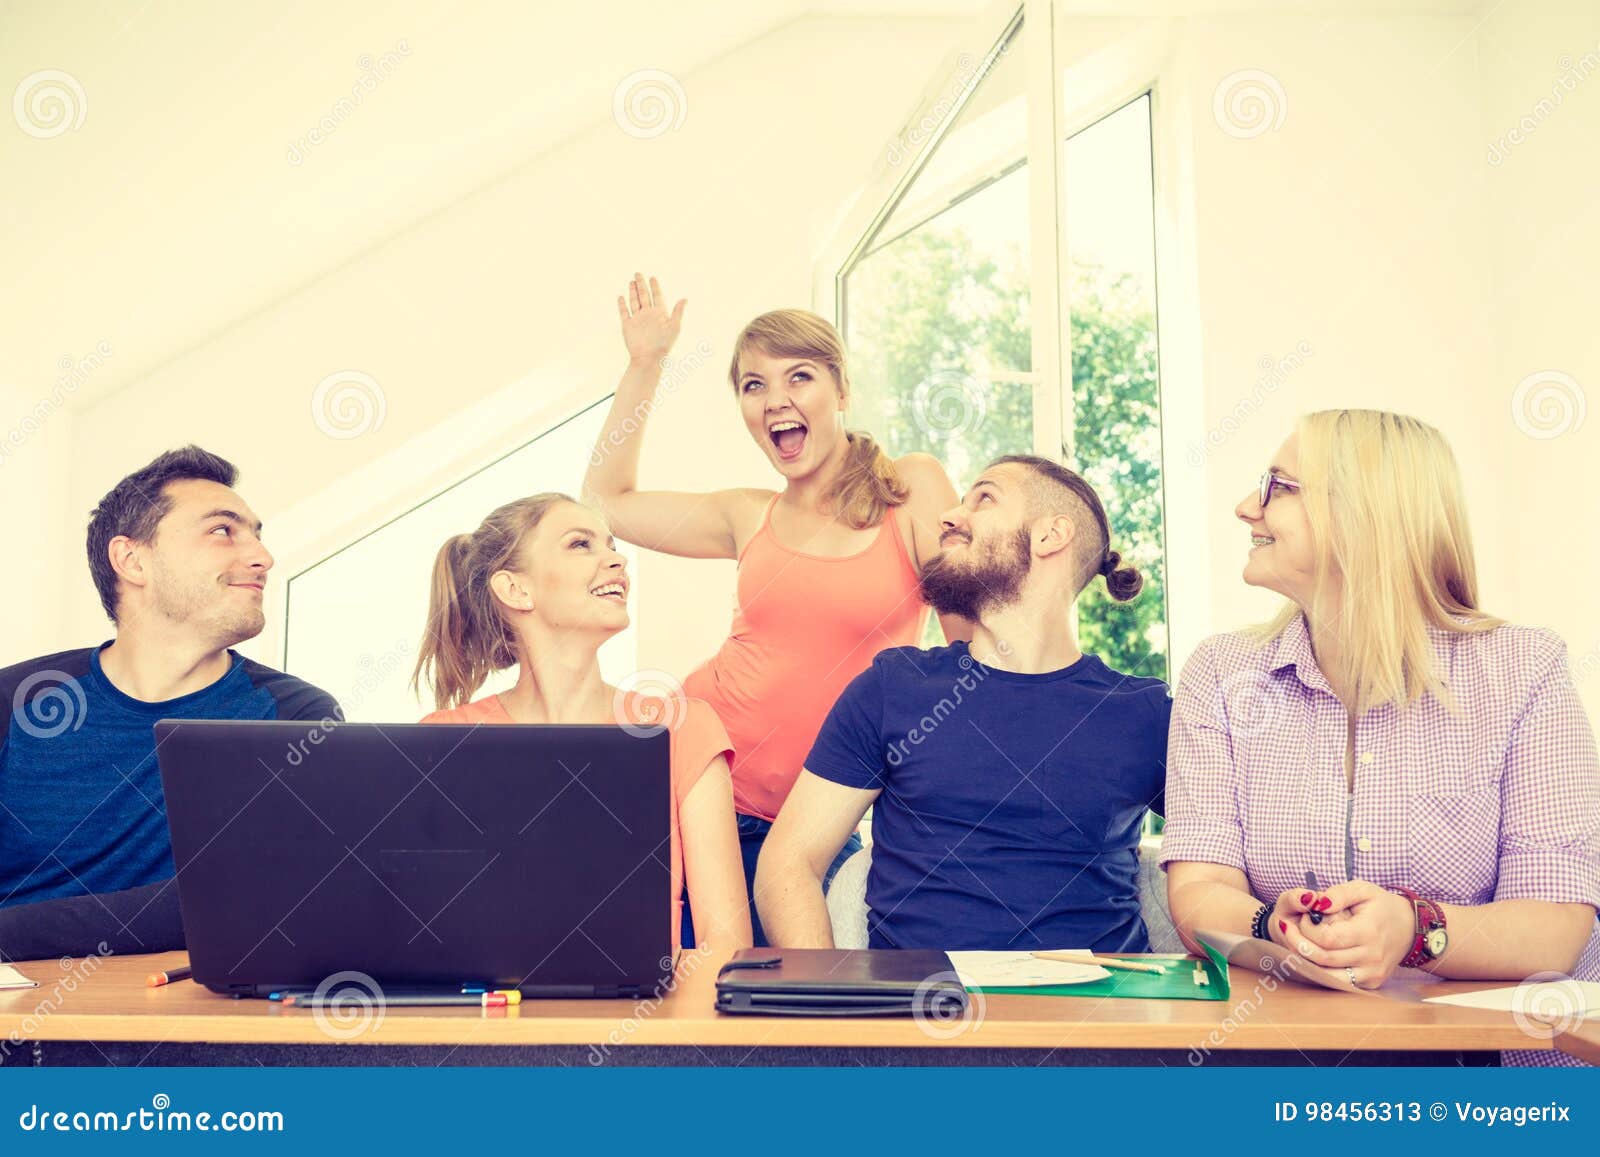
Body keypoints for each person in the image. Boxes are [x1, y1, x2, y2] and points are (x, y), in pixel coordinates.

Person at [1161, 409, 1600, 1067]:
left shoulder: (1525, 668)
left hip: (1498, 1075)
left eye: (1278, 485)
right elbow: (1201, 884)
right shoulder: (1221, 673)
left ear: (1360, 513)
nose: (1246, 506)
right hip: (1283, 1058)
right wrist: (1267, 925)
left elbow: (1553, 928)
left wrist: (1414, 928)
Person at [583, 273, 975, 945]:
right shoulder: (747, 513)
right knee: (665, 1009)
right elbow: (603, 502)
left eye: (799, 377)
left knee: (801, 1013)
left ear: (842, 390)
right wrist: (645, 366)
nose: (775, 400)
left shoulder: (910, 490)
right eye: (753, 385)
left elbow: (971, 656)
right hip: (686, 787)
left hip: (808, 825)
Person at [754, 454, 1169, 950]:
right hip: (919, 1013)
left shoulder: (1143, 713)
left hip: (1099, 1017)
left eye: (985, 498)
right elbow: (789, 862)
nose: (948, 516)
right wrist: (828, 1001)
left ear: (1050, 535)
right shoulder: (894, 688)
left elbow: (1225, 863)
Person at [0, 446, 342, 961]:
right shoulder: (17, 701)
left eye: (256, 534)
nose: (262, 558)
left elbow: (260, 898)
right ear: (132, 560)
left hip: (188, 1020)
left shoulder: (296, 716)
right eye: (223, 530)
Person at [412, 493, 751, 956]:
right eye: (580, 545)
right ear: (516, 590)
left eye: (611, 546)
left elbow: (725, 952)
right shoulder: (444, 740)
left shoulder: (683, 729)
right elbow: (428, 931)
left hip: (644, 1024)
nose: (616, 560)